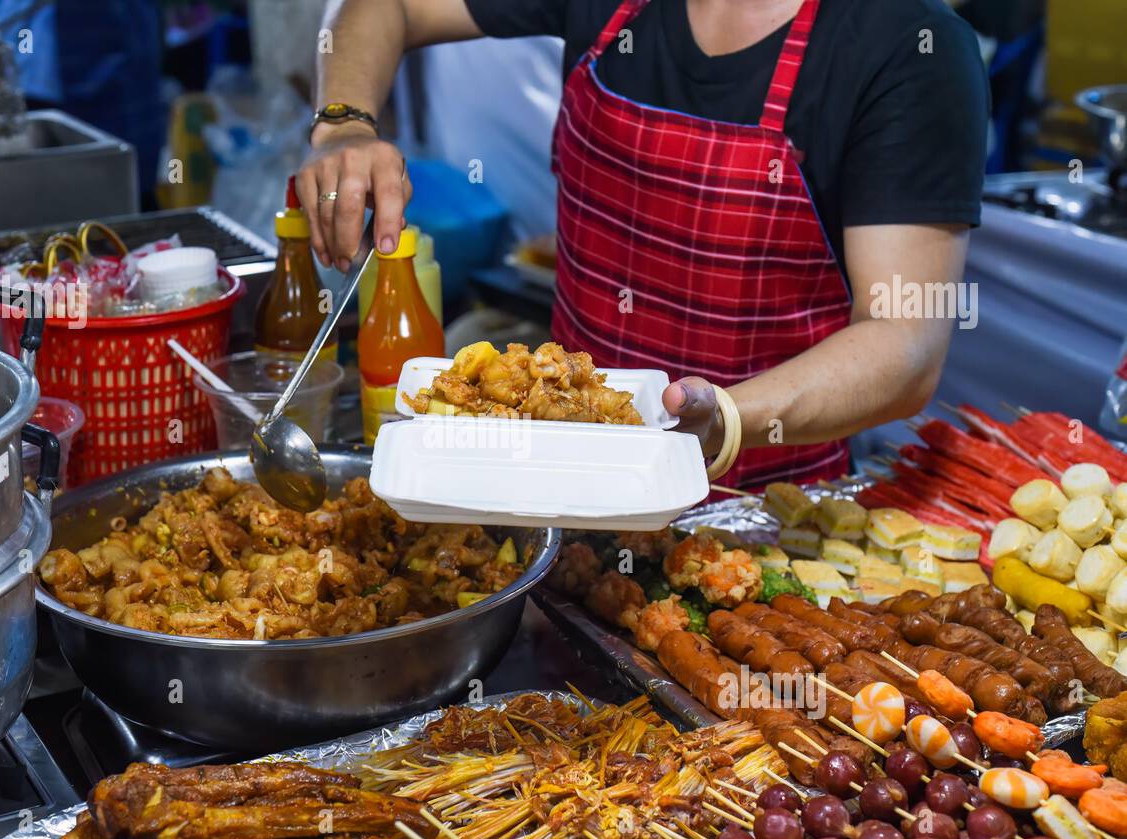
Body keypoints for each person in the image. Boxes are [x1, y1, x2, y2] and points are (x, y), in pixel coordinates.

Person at [297, 0, 988, 489]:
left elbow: (905, 343)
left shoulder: (910, 46)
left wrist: (722, 418)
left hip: (754, 526)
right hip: (556, 490)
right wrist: (345, 125)